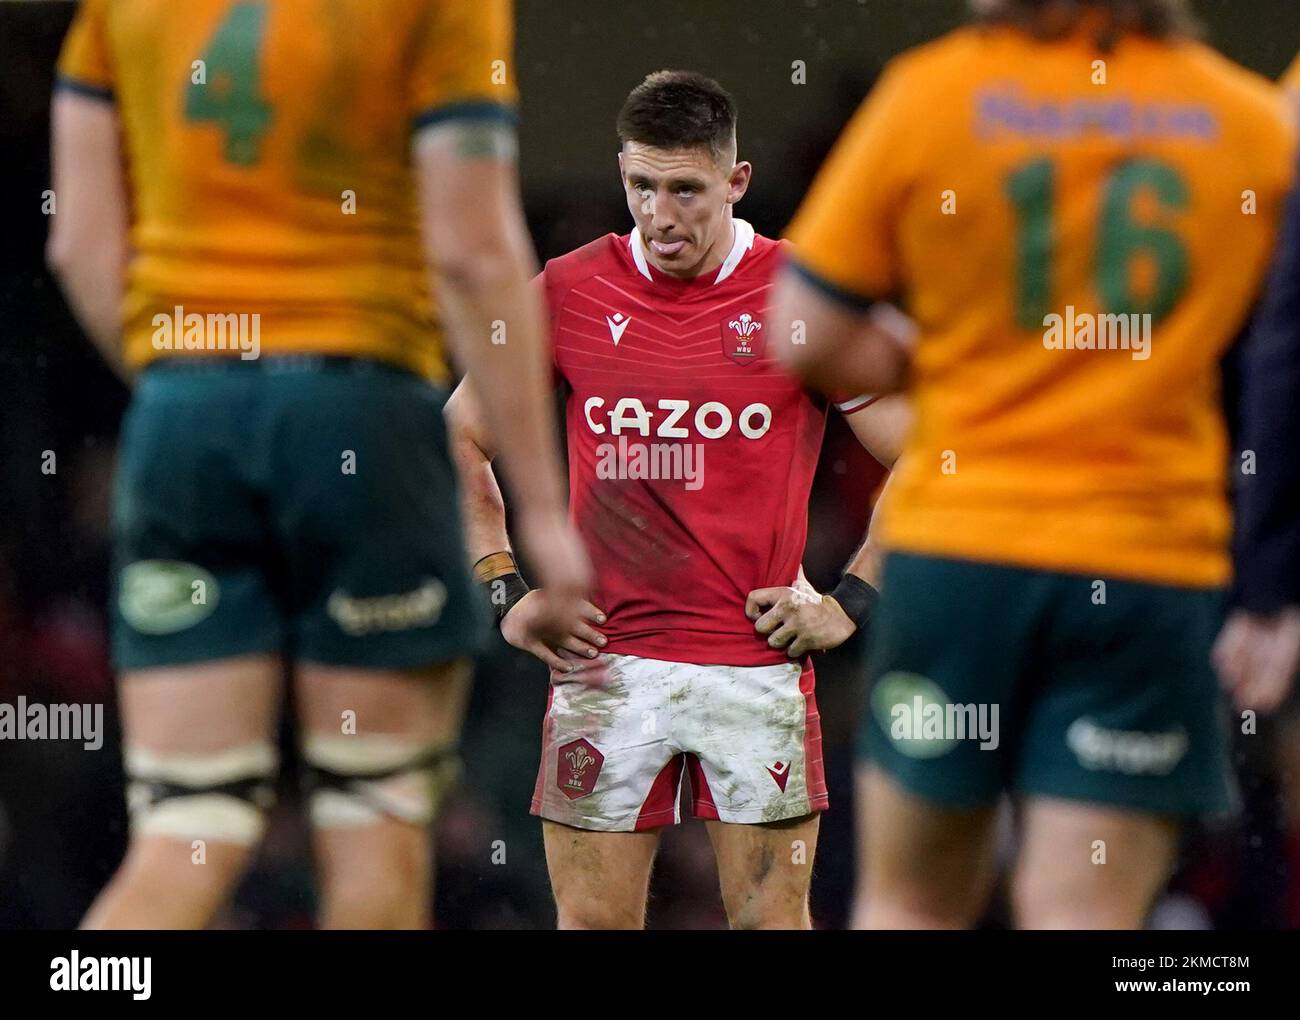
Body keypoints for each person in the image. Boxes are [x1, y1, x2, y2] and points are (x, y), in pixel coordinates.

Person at [47, 0, 587, 929]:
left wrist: (195, 402)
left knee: (188, 827)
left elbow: (78, 243)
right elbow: (472, 251)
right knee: (373, 813)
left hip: (184, 409)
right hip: (362, 411)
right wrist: (541, 507)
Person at [774, 0, 1297, 928]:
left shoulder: (933, 95)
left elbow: (803, 333)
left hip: (960, 559)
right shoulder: (1249, 121)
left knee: (909, 905)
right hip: (1146, 568)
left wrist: (938, 356)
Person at [446, 70, 902, 929]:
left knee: (772, 922)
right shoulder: (569, 290)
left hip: (755, 665)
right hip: (603, 665)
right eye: (641, 187)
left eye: (686, 189)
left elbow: (934, 454)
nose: (660, 215)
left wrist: (852, 600)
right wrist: (502, 590)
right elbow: (460, 433)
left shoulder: (799, 298)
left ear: (737, 182)